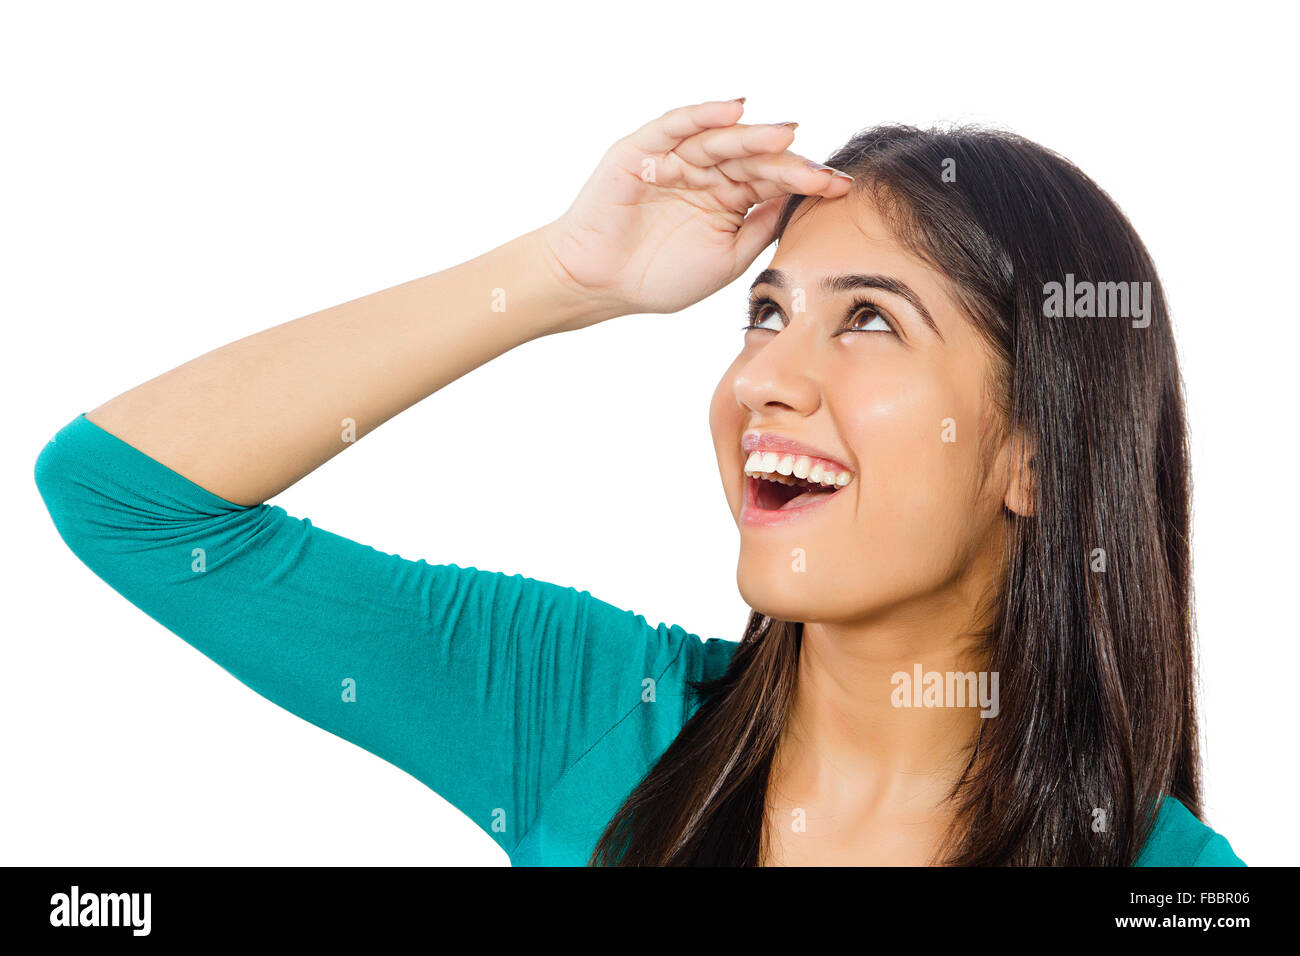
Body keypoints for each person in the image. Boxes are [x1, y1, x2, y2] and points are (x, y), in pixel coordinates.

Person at [34, 97, 1243, 865]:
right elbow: (128, 496)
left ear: (1032, 451)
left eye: (868, 321)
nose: (769, 374)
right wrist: (566, 275)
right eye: (765, 313)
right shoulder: (590, 716)